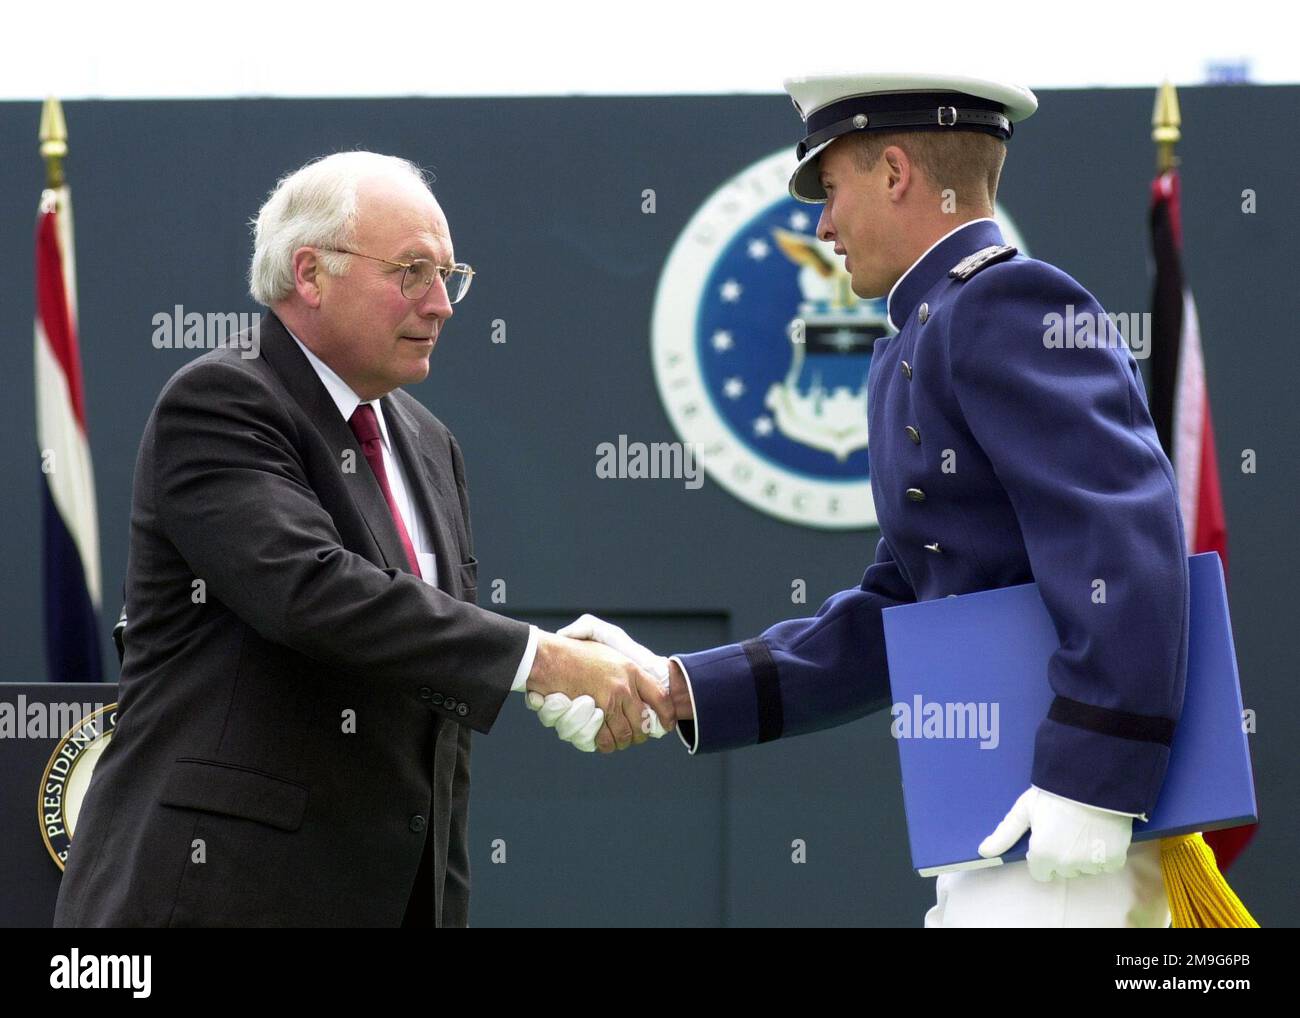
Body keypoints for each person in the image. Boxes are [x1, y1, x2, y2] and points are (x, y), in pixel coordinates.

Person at [551, 73, 1190, 928]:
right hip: (1001, 819)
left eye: (830, 187)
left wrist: (1095, 778)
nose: (821, 224)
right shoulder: (921, 336)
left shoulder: (1003, 302)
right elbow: (897, 612)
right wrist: (676, 687)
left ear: (895, 172)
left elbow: (1124, 533)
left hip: (1069, 826)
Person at [53, 151, 672, 928]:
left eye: (451, 275)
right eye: (413, 271)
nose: (442, 304)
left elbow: (429, 686)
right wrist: (541, 661)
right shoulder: (221, 401)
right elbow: (312, 594)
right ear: (310, 273)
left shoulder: (428, 441)